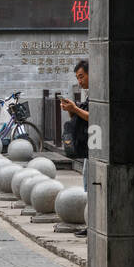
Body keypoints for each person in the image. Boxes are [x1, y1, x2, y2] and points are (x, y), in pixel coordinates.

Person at [59, 59, 90, 237]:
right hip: (89, 147)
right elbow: (81, 116)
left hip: (96, 144)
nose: (80, 82)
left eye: (82, 77)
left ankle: (92, 225)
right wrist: (71, 109)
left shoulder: (100, 91)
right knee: (87, 186)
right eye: (78, 78)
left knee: (91, 186)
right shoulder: (89, 93)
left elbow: (95, 116)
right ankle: (90, 223)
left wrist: (75, 109)